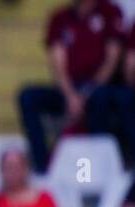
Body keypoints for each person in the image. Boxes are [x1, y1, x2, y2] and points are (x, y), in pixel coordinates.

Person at [17, 0, 125, 174]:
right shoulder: (60, 18)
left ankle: (99, 167)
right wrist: (70, 96)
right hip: (69, 88)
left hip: (99, 87)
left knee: (104, 98)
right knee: (27, 96)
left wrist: (87, 93)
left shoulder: (109, 12)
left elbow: (111, 60)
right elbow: (57, 63)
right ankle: (42, 168)